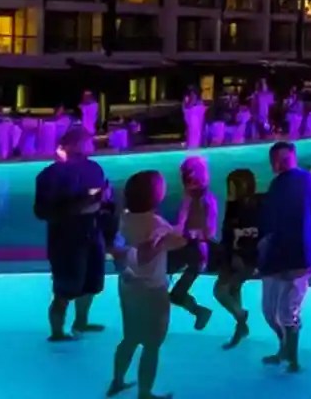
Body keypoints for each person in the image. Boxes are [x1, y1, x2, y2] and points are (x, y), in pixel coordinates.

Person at [109, 170, 188, 399]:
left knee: (130, 337)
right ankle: (145, 392)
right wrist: (179, 224)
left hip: (128, 285)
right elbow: (178, 241)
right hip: (152, 290)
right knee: (152, 345)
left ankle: (117, 381)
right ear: (156, 195)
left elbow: (121, 250)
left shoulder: (124, 217)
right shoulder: (156, 223)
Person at [33, 126, 112, 341]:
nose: (90, 144)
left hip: (92, 230)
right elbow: (42, 211)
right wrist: (83, 203)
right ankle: (57, 331)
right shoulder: (50, 175)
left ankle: (81, 321)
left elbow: (104, 199)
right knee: (65, 286)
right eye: (85, 141)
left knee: (91, 282)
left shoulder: (95, 169)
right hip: (66, 237)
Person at [258, 141, 311, 373]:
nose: (278, 164)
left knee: (280, 311)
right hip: (289, 257)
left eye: (280, 160)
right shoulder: (298, 182)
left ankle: (291, 357)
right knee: (281, 311)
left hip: (291, 257)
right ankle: (287, 352)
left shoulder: (294, 183)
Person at [214, 168, 261, 349]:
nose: (230, 192)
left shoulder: (256, 207)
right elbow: (227, 236)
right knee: (233, 290)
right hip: (231, 257)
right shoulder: (232, 206)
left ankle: (241, 316)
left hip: (247, 258)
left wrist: (242, 256)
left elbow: (257, 236)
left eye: (234, 188)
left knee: (220, 291)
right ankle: (240, 328)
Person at [168, 156, 216, 329]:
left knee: (175, 292)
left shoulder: (204, 200)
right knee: (171, 291)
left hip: (195, 250)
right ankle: (199, 311)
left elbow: (208, 230)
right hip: (187, 248)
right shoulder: (192, 198)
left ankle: (200, 312)